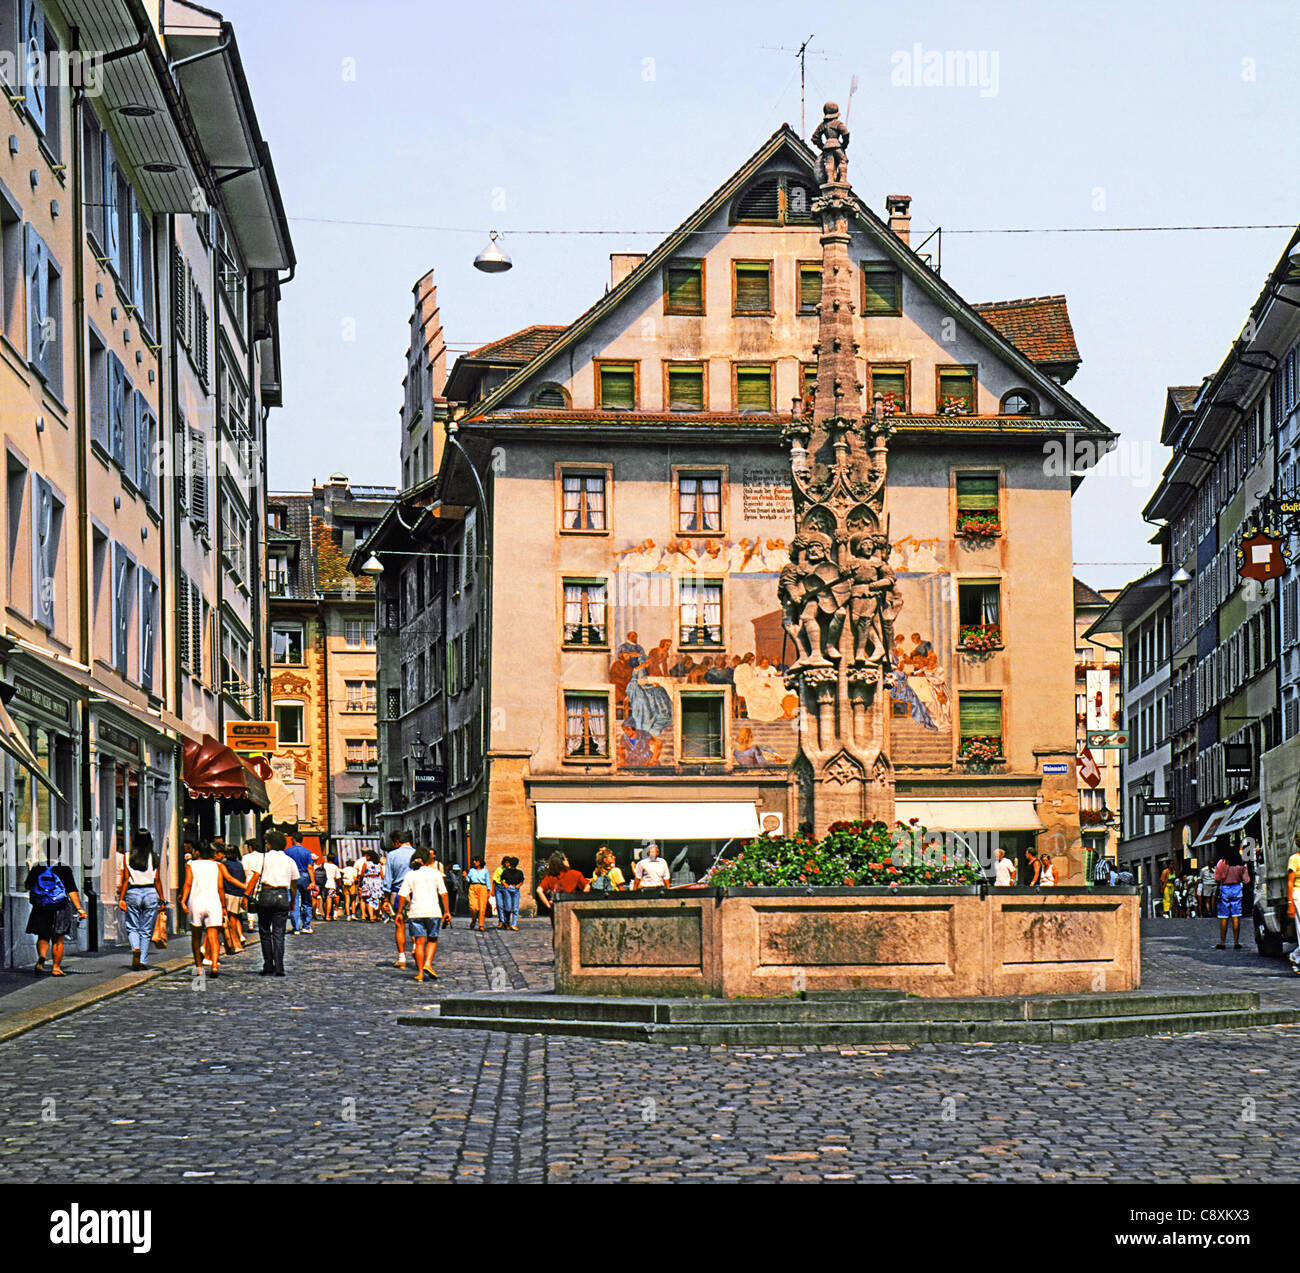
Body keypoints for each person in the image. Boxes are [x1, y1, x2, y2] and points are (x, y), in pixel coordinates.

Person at [181, 842, 246, 978]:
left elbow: (188, 883)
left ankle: (199, 967)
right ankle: (214, 966)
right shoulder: (217, 865)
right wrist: (224, 905)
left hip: (196, 902)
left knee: (196, 937)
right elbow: (222, 886)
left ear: (197, 852)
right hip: (213, 902)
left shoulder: (191, 865)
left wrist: (183, 900)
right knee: (213, 936)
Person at [243, 831, 297, 977]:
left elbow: (255, 877)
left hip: (266, 895)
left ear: (270, 844)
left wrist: (246, 895)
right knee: (279, 933)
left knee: (265, 931)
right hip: (282, 895)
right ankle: (279, 967)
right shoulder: (289, 860)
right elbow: (293, 884)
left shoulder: (263, 858)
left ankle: (268, 965)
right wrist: (292, 901)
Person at [396, 848, 452, 981]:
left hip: (416, 912)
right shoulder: (435, 874)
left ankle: (420, 973)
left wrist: (399, 913)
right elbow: (443, 893)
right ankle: (428, 963)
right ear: (429, 859)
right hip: (433, 911)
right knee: (432, 939)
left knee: (419, 943)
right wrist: (447, 911)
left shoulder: (411, 875)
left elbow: (403, 895)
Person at [26, 855, 87, 976]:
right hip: (60, 907)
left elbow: (28, 885)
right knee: (58, 939)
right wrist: (80, 909)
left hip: (41, 906)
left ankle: (42, 957)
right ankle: (56, 968)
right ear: (58, 852)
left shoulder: (38, 867)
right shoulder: (64, 869)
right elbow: (71, 890)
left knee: (43, 936)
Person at [117, 828, 166, 970]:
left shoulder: (127, 857)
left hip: (133, 892)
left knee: (132, 926)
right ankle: (143, 960)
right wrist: (162, 900)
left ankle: (135, 949)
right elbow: (157, 879)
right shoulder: (154, 857)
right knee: (146, 930)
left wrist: (122, 898)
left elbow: (125, 879)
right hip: (150, 892)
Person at [383, 829, 417, 967]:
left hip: (397, 892)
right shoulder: (417, 853)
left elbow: (388, 879)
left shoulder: (391, 855)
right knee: (416, 923)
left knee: (399, 925)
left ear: (397, 842)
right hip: (415, 892)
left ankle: (402, 957)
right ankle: (416, 948)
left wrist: (385, 899)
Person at [536, 853, 589, 926]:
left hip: (556, 908)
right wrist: (580, 901)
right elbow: (587, 887)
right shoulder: (575, 874)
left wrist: (549, 906)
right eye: (566, 859)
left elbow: (539, 890)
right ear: (562, 862)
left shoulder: (550, 877)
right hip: (572, 908)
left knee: (557, 932)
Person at [1214, 847, 1251, 949]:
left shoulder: (1222, 863)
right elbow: (1246, 880)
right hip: (1237, 888)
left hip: (1224, 889)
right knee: (1236, 916)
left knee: (1223, 917)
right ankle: (1236, 942)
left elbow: (1217, 878)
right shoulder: (1241, 864)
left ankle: (1222, 942)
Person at [216, 845, 246, 955]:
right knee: (235, 917)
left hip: (229, 893)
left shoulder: (224, 865)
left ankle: (231, 939)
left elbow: (228, 878)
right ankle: (237, 937)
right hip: (238, 893)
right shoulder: (239, 864)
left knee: (229, 919)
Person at [284, 830, 315, 935]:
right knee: (306, 901)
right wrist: (313, 881)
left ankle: (296, 927)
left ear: (293, 839)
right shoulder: (307, 852)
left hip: (292, 876)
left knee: (294, 902)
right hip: (304, 875)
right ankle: (306, 925)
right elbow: (310, 867)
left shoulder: (287, 852)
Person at [357, 849, 384, 921]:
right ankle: (377, 916)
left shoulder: (366, 864)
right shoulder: (379, 865)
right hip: (377, 882)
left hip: (368, 882)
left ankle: (371, 916)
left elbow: (362, 874)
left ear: (368, 857)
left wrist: (360, 884)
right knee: (377, 899)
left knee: (368, 899)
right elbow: (382, 875)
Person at [1287, 835, 1300, 977]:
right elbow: (1290, 882)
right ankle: (1297, 957)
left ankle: (1296, 956)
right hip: (1298, 894)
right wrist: (1290, 903)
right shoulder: (1294, 859)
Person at [466, 857, 491, 933]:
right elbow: (468, 879)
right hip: (473, 887)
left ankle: (481, 924)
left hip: (482, 887)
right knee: (473, 907)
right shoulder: (472, 871)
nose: (474, 862)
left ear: (479, 862)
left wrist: (488, 891)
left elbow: (487, 881)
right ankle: (473, 919)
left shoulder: (485, 871)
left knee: (482, 907)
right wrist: (465, 876)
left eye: (476, 861)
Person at [500, 857, 525, 929]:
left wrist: (519, 885)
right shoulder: (506, 871)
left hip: (516, 890)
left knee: (515, 908)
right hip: (508, 889)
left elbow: (522, 880)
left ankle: (514, 924)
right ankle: (506, 921)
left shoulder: (519, 872)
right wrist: (505, 884)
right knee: (508, 907)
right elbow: (501, 879)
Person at [321, 854, 341, 921]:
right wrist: (338, 887)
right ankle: (327, 916)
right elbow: (338, 878)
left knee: (324, 900)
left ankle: (325, 914)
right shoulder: (335, 867)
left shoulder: (323, 865)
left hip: (323, 884)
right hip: (331, 885)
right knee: (329, 900)